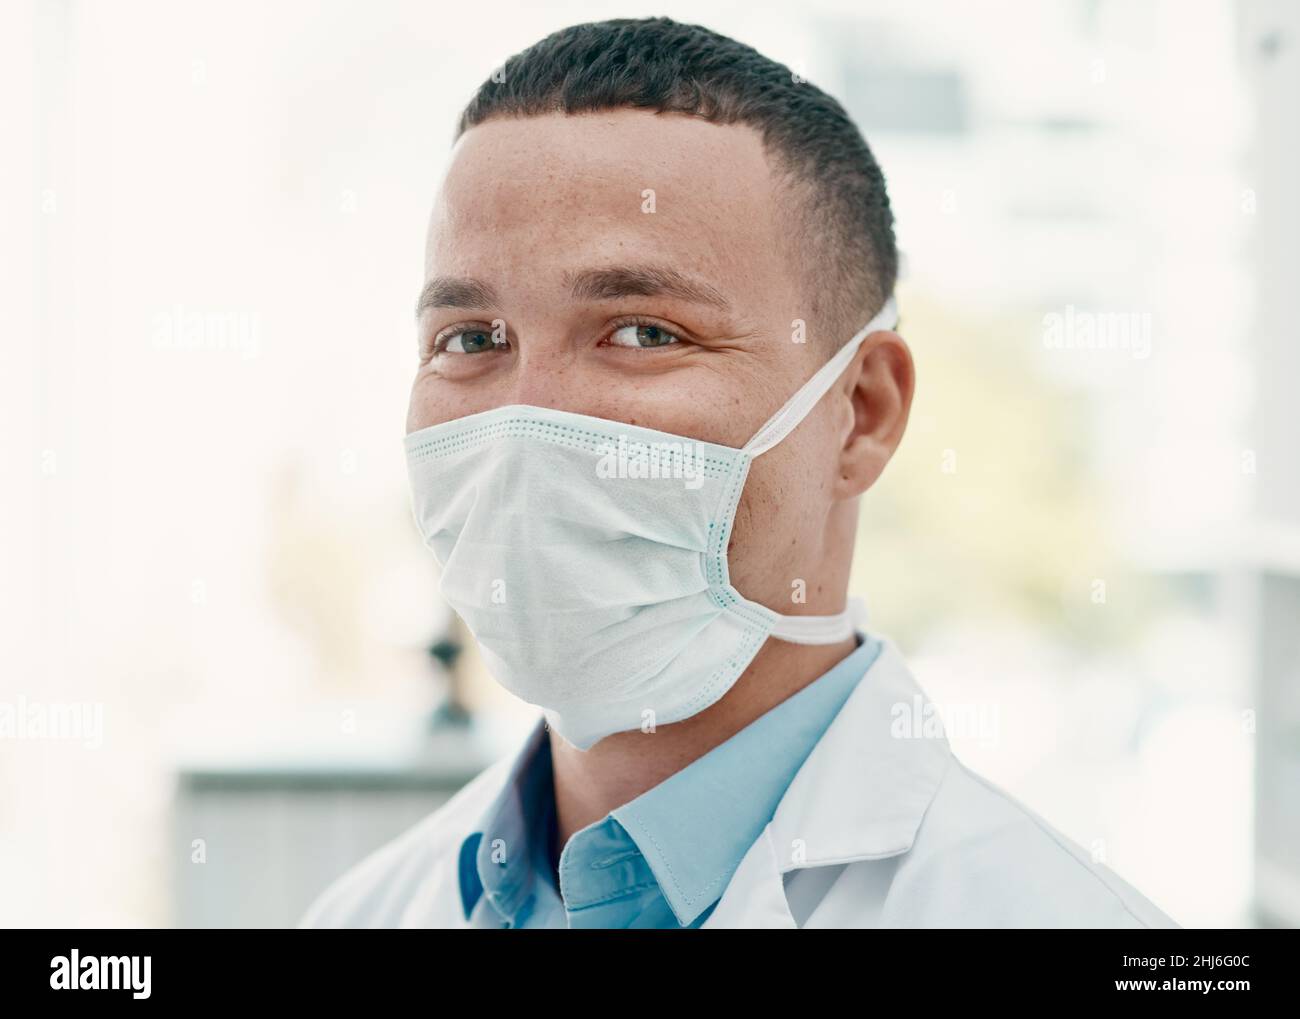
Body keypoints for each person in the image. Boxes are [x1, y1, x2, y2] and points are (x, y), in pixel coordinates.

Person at [299, 17, 1178, 929]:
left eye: (644, 332)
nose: (532, 417)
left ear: (862, 413)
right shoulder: (359, 913)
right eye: (471, 340)